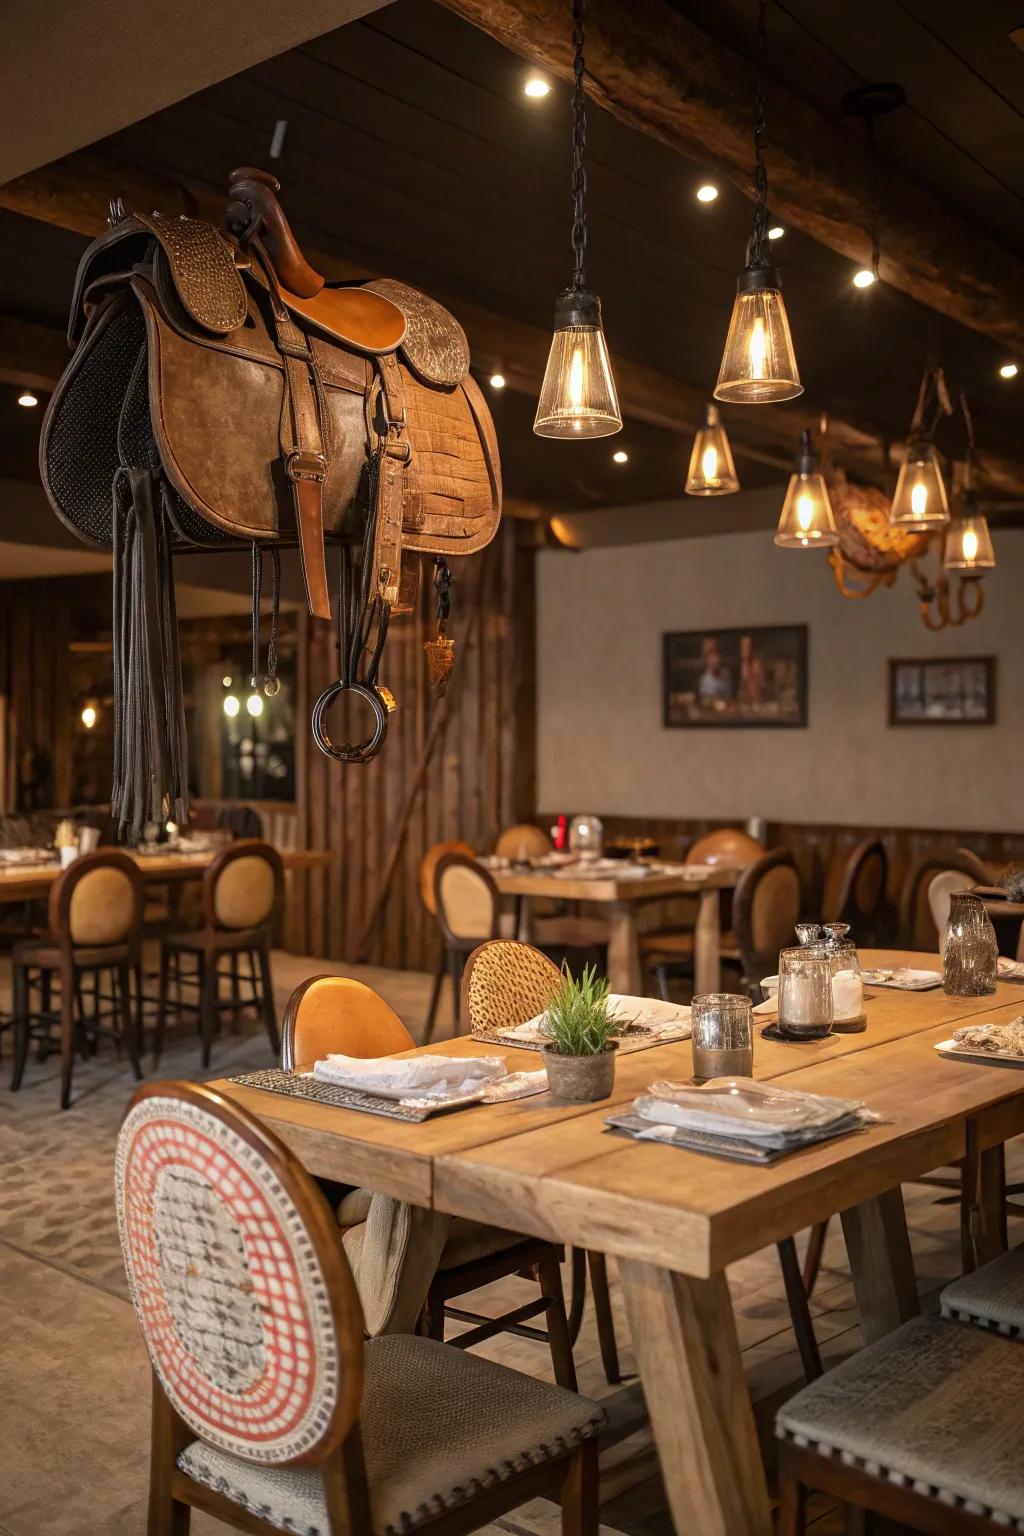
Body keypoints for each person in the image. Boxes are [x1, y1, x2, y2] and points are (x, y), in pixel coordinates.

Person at [697, 637, 733, 703]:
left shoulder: (726, 673)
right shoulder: (704, 679)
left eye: (715, 652)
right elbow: (705, 700)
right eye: (709, 654)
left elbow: (729, 695)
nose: (714, 659)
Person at [737, 634, 767, 707]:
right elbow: (742, 686)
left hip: (757, 701)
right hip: (745, 702)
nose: (745, 649)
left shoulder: (757, 663)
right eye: (743, 646)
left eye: (747, 646)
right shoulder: (741, 664)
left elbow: (758, 685)